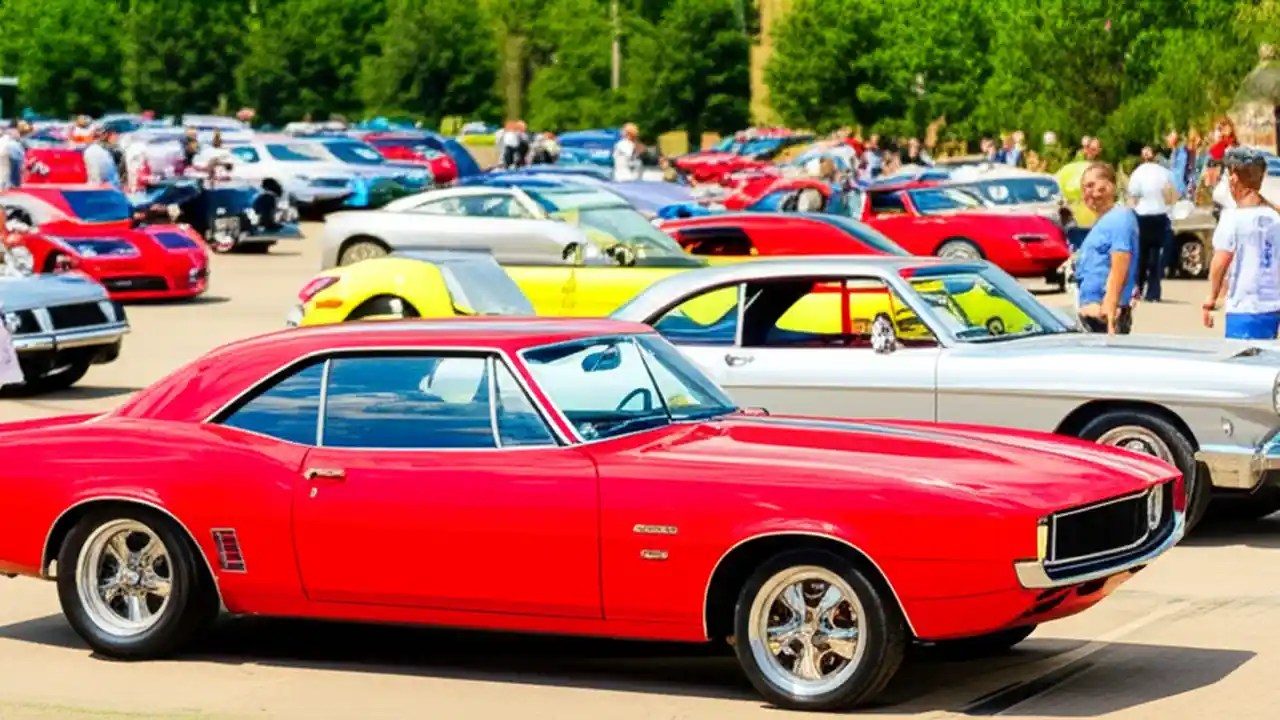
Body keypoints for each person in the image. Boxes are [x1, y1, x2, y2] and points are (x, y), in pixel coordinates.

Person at [1203, 149, 1280, 339]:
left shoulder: (1232, 219)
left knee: (1243, 363)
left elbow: (1221, 260)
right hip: (1273, 306)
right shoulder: (1274, 217)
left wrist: (1211, 298)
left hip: (1244, 307)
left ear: (1234, 179)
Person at [1075, 162, 1139, 334]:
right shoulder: (1101, 222)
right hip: (1092, 312)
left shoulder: (1120, 217)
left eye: (1092, 185)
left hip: (1105, 316)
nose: (1088, 193)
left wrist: (1110, 304)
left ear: (1110, 185)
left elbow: (1120, 259)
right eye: (1084, 188)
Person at [1127, 145, 1176, 301]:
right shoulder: (1164, 173)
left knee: (1141, 254)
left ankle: (1138, 287)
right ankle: (1154, 292)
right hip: (1159, 216)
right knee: (1155, 256)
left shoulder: (1138, 173)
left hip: (1142, 216)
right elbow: (1170, 195)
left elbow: (1132, 196)